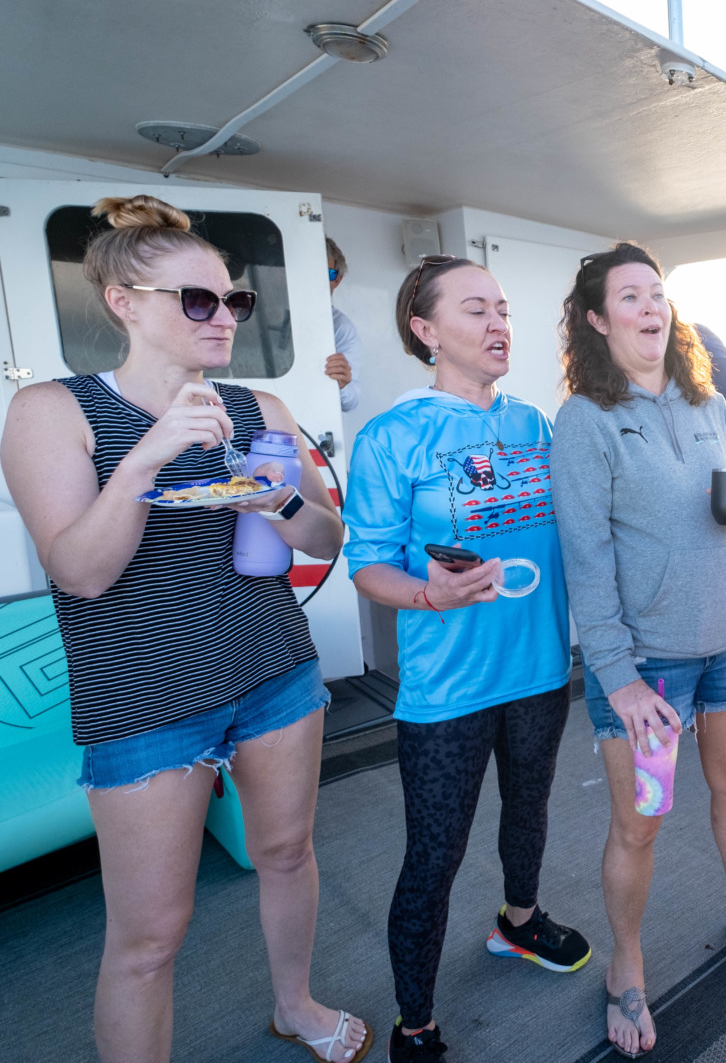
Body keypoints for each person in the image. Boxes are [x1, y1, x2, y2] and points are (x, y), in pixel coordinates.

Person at [0, 196, 364, 1063]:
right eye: (195, 300)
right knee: (149, 936)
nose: (224, 318)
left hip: (273, 667)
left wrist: (275, 497)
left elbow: (324, 537)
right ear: (124, 301)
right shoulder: (54, 411)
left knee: (285, 852)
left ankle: (297, 1006)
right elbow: (80, 571)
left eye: (232, 301)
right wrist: (151, 453)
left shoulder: (261, 408)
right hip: (146, 700)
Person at [552, 242, 726, 1059]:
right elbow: (585, 558)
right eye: (629, 296)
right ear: (597, 320)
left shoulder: (706, 403)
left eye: (656, 293)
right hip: (650, 667)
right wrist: (618, 678)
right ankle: (625, 966)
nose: (650, 307)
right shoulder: (586, 421)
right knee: (644, 822)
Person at [344, 255, 589, 1063]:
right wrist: (429, 596)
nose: (498, 324)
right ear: (425, 330)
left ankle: (519, 923)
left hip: (542, 670)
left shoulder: (535, 423)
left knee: (530, 811)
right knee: (434, 855)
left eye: (505, 309)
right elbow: (371, 564)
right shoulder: (390, 436)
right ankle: (415, 1026)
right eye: (476, 309)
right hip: (448, 688)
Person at [324, 237, 363, 412]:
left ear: (337, 279)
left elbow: (351, 401)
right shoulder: (267, 312)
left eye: (326, 274)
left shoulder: (340, 327)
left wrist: (342, 384)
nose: (316, 281)